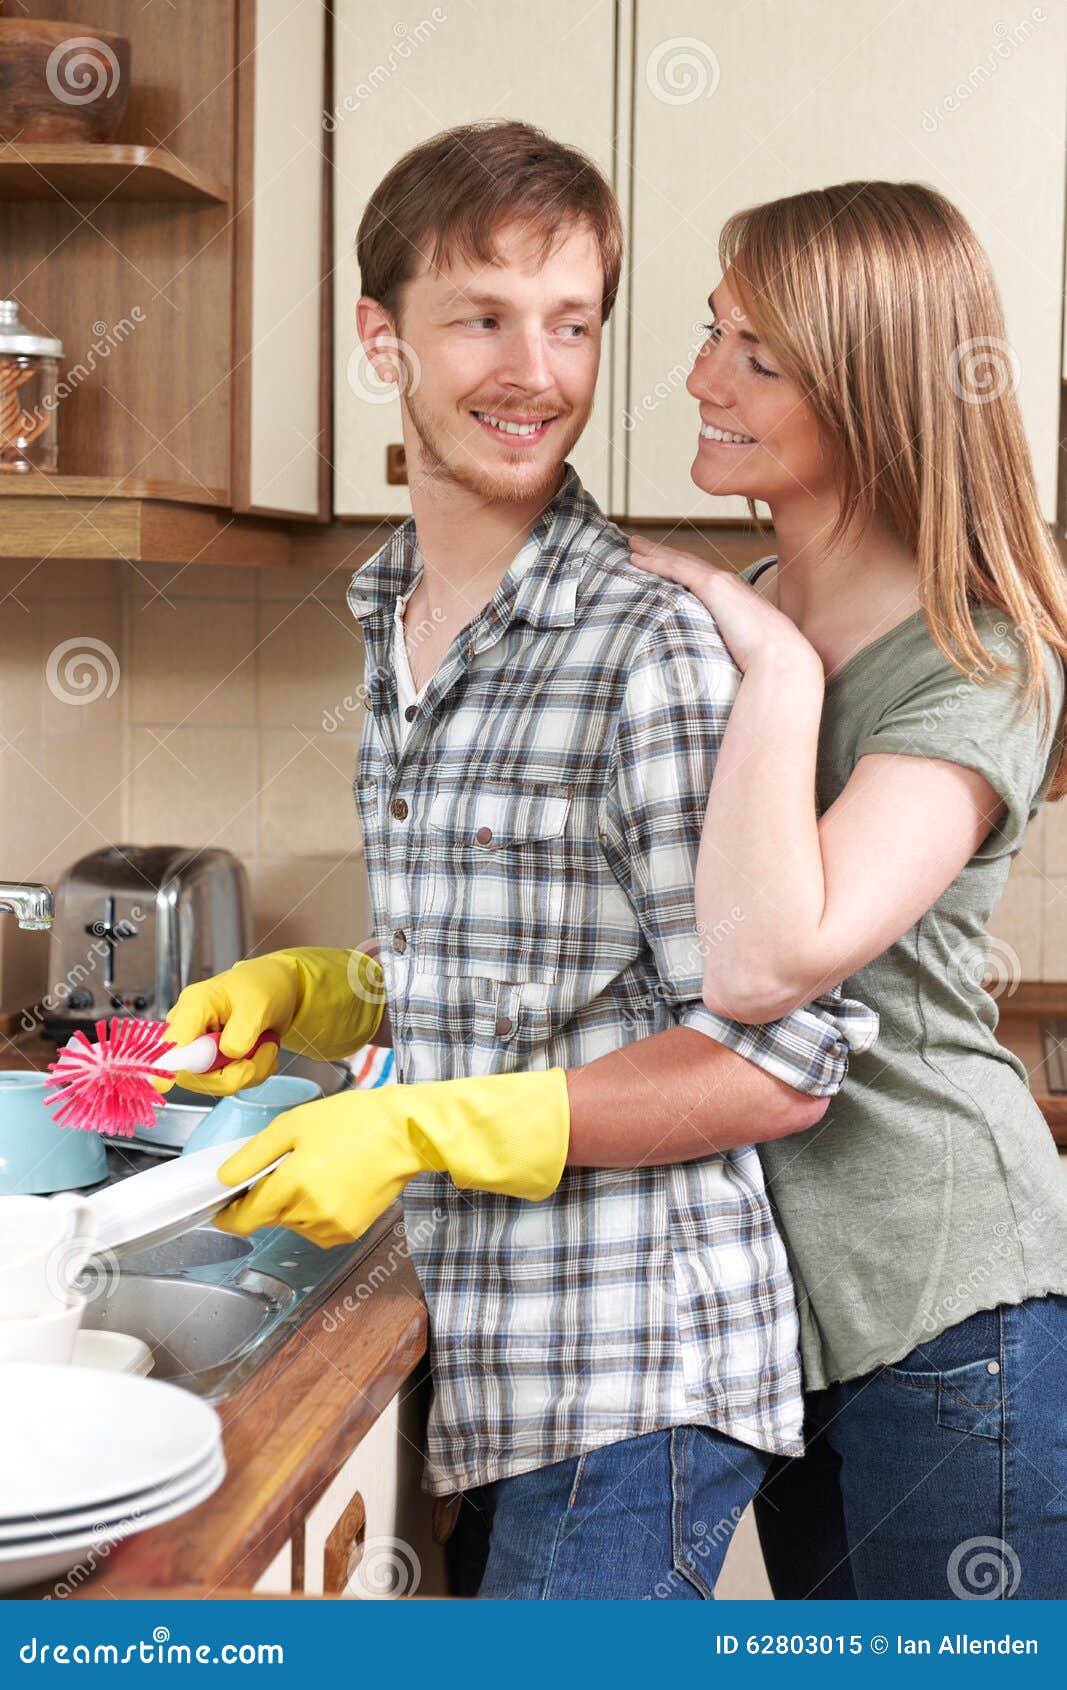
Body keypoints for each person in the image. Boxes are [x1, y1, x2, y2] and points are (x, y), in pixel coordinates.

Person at [159, 122, 876, 1601]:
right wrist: (323, 994)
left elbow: (777, 1061)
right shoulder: (394, 620)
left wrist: (420, 1129)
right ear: (382, 337)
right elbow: (524, 968)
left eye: (573, 324)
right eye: (482, 317)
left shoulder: (650, 650)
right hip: (499, 1356)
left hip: (635, 1368)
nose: (536, 374)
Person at [629, 180, 1067, 1599]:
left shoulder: (974, 657)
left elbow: (773, 959)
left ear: (872, 389)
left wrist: (775, 660)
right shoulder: (754, 604)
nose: (701, 377)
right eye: (713, 333)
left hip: (944, 1306)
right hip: (783, 1314)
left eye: (759, 356)